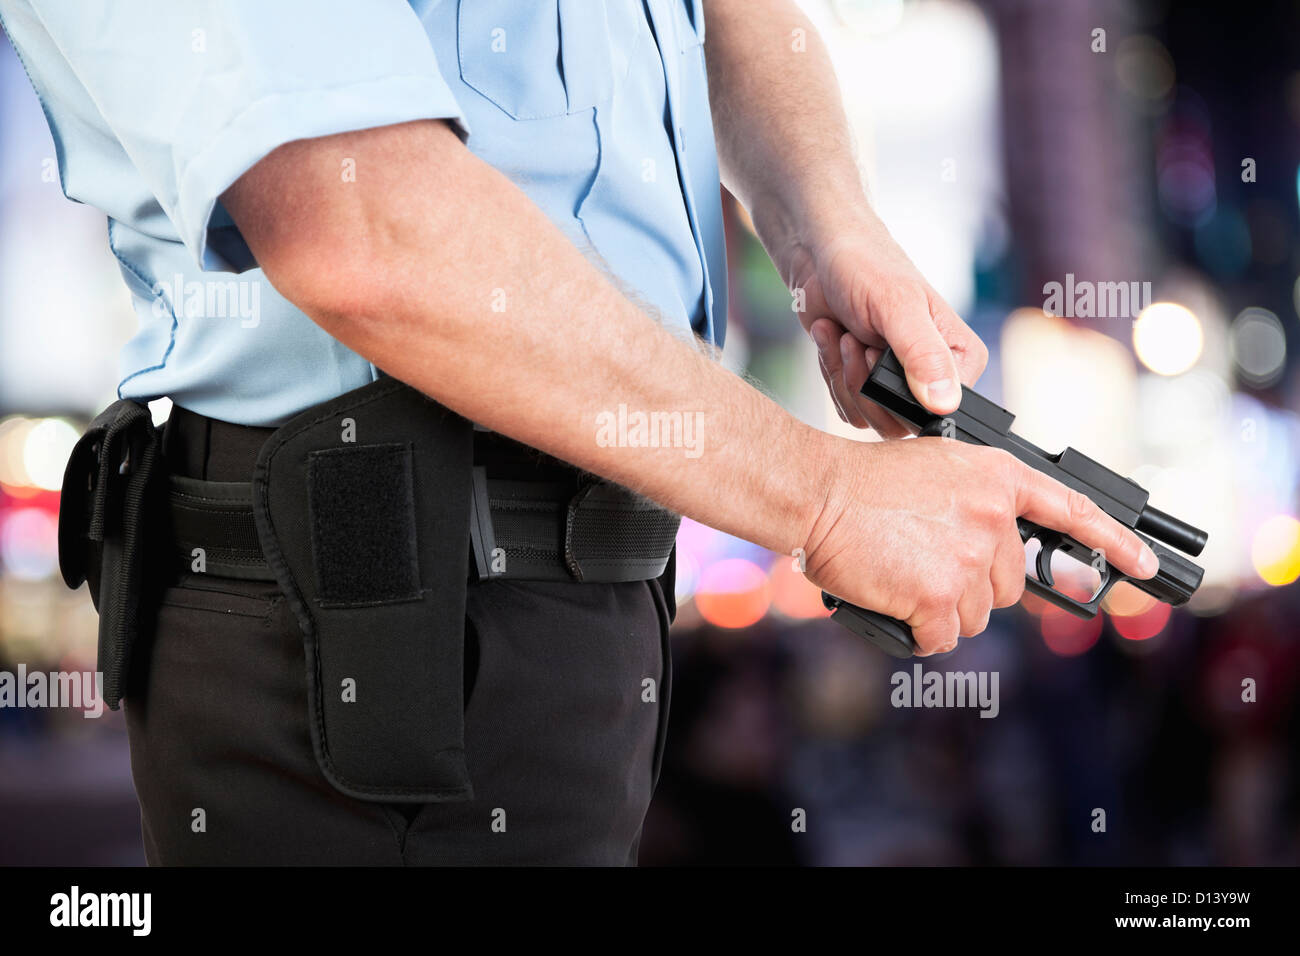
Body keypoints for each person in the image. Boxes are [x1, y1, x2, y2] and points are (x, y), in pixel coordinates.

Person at [0, 0, 1157, 865]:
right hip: (365, 627)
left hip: (558, 598)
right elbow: (357, 223)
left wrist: (824, 222)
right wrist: (826, 497)